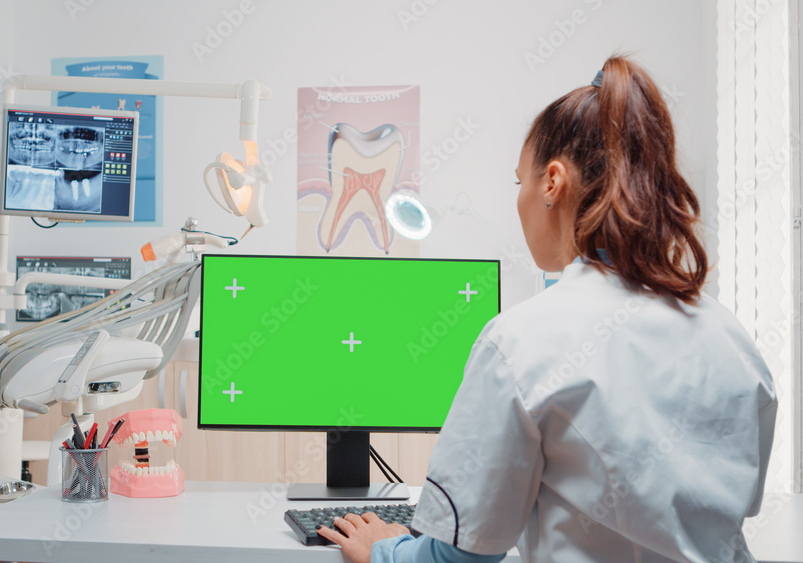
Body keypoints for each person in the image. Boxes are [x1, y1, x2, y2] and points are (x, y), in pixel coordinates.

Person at [316, 56, 777, 562]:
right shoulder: (731, 339)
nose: (520, 200)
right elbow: (727, 514)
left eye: (520, 182)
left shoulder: (520, 342)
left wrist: (381, 550)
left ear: (552, 182)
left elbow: (461, 557)